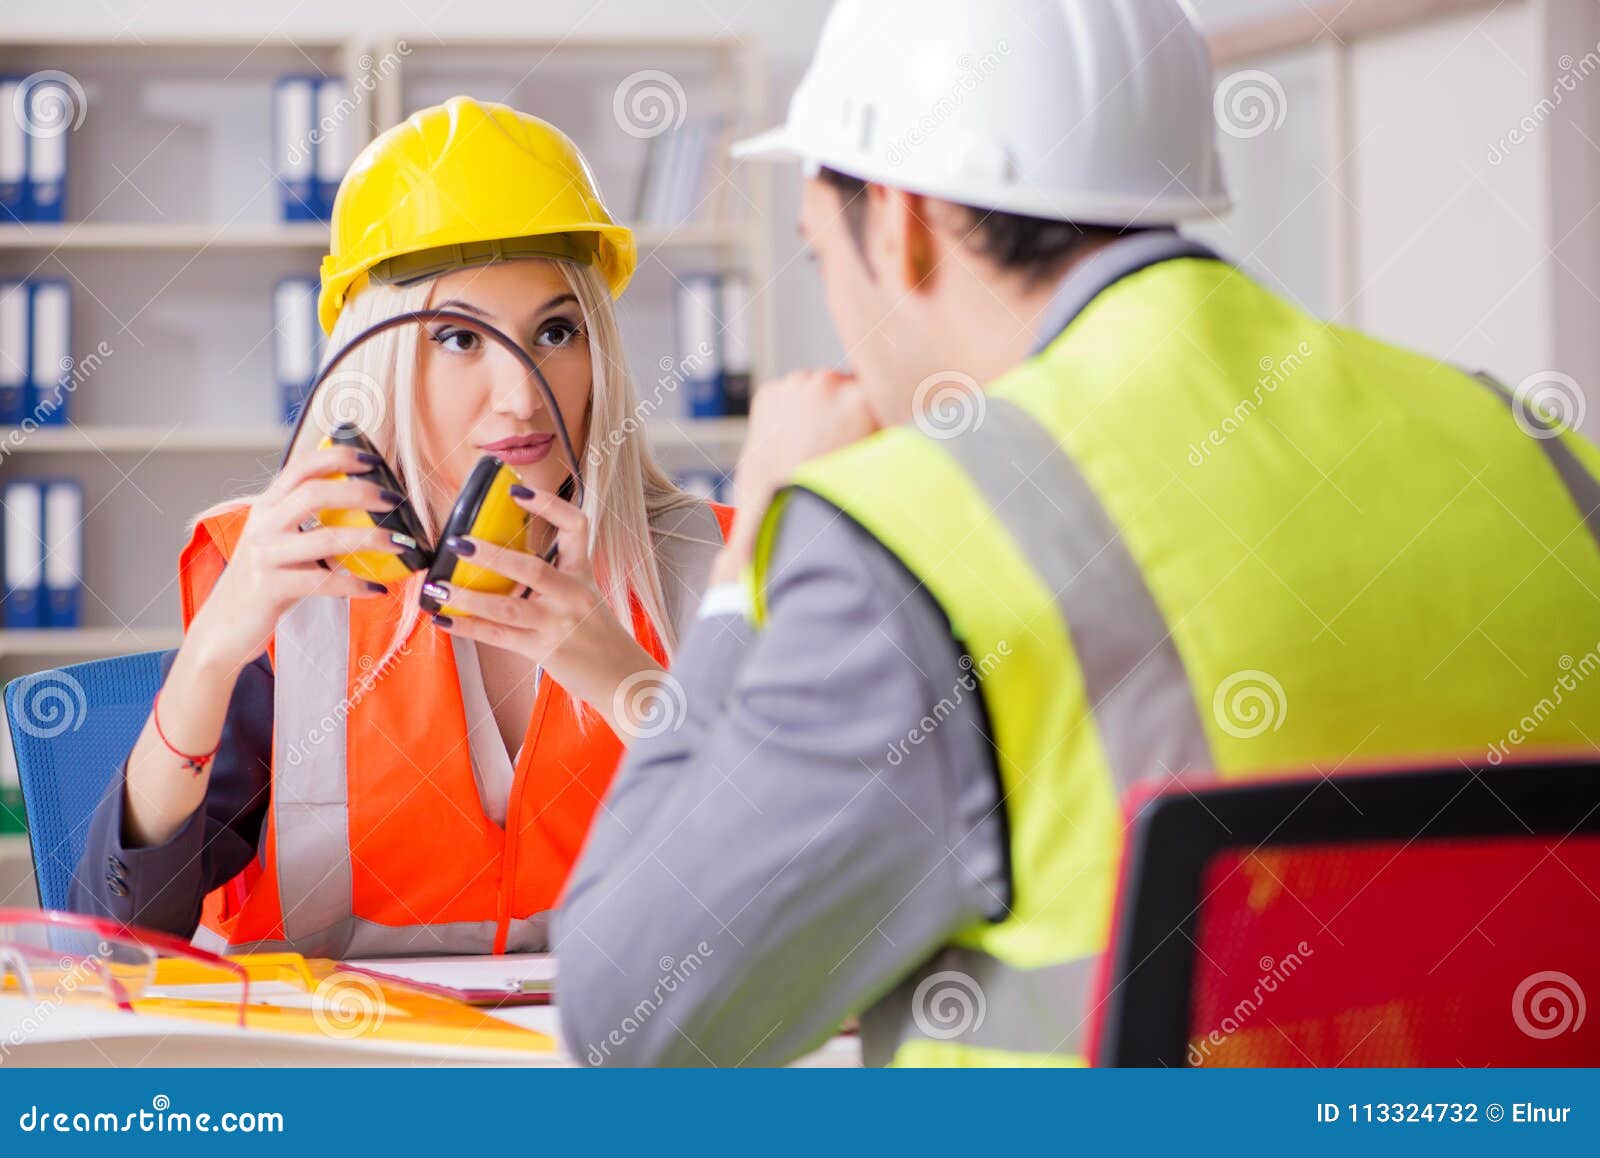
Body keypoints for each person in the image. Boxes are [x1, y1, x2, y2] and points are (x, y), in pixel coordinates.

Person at [553, 0, 1600, 1066]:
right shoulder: (1540, 453)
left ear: (902, 225)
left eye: (819, 253)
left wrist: (743, 566)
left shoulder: (913, 539)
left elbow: (633, 1025)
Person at [71, 96, 730, 958]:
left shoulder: (718, 565)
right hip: (340, 1073)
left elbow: (829, 892)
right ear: (376, 357)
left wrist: (634, 690)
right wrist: (209, 660)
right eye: (458, 339)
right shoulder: (280, 571)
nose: (521, 395)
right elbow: (115, 942)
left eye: (556, 331)